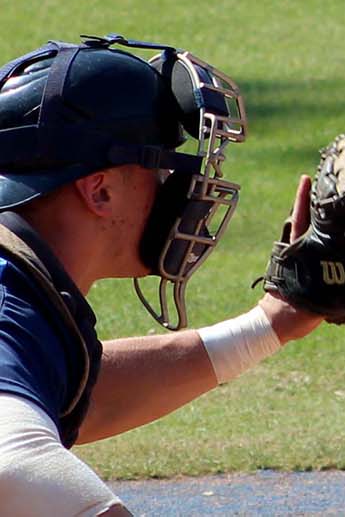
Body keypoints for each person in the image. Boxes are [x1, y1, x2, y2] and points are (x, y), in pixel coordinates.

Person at [0, 35, 322, 516]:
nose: (179, 187)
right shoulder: (9, 303)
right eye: (163, 166)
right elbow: (9, 462)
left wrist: (273, 323)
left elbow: (69, 396)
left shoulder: (25, 298)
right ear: (100, 191)